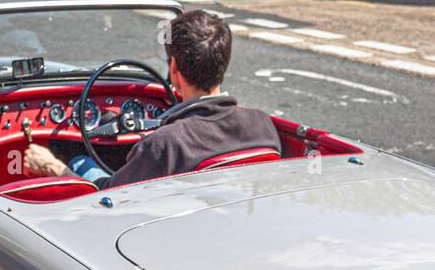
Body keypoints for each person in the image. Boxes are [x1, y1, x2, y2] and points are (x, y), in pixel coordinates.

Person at [22, 10, 281, 189]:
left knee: (77, 156)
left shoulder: (164, 145)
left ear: (174, 68)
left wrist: (54, 167)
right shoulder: (262, 124)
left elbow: (108, 196)